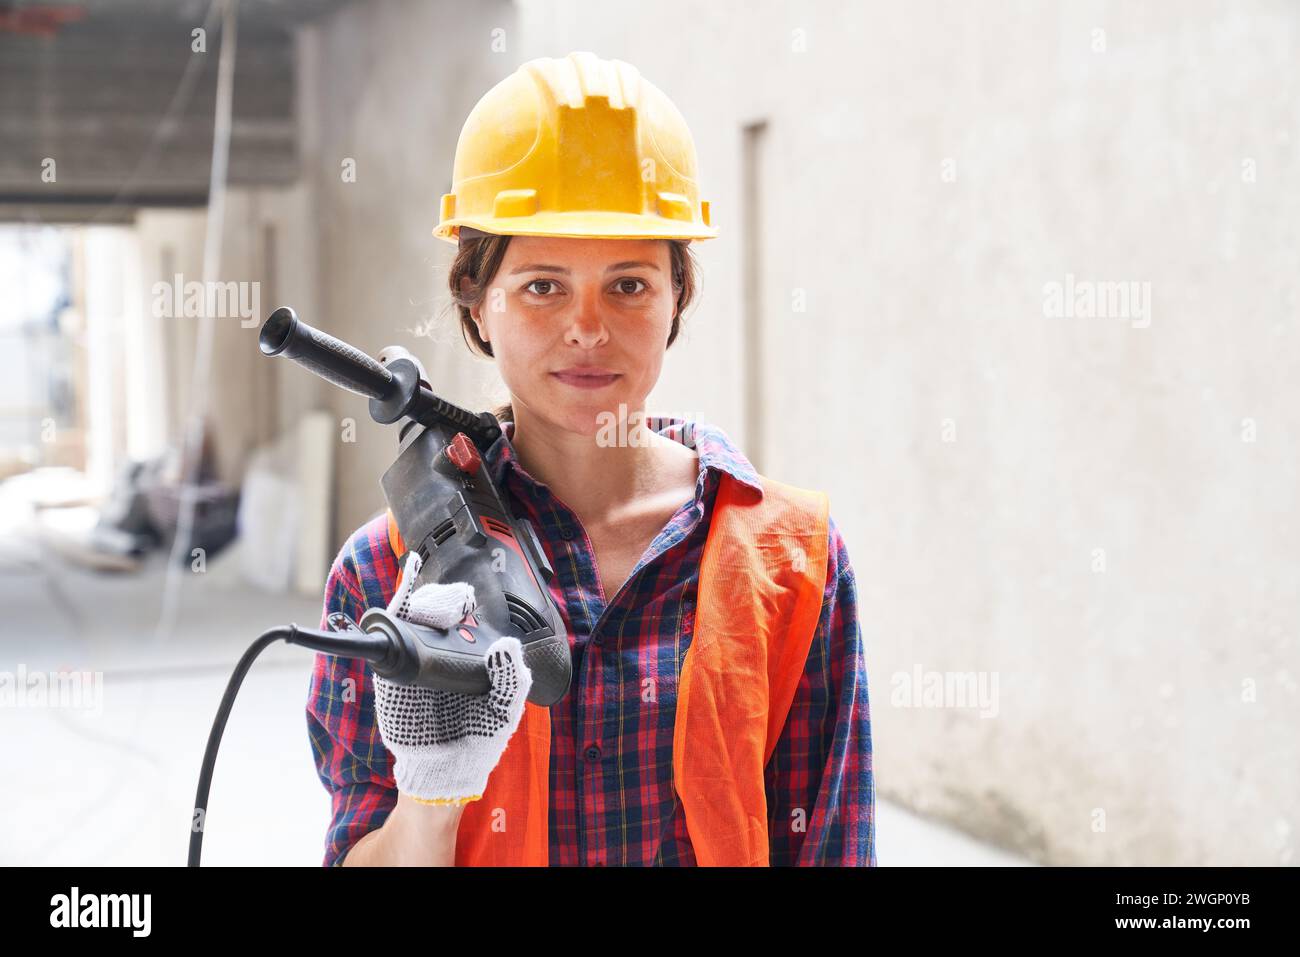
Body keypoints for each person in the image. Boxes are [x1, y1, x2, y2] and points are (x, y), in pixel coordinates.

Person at [305, 51, 875, 867]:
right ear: (477, 297)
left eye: (630, 284)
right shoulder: (387, 573)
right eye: (542, 285)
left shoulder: (794, 562)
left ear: (680, 293)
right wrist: (432, 795)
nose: (588, 326)